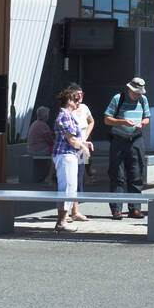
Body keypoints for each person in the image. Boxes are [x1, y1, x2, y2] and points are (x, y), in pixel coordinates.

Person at [104, 76, 150, 220]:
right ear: (129, 89)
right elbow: (107, 119)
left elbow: (147, 117)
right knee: (117, 175)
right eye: (135, 92)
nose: (137, 95)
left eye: (139, 93)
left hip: (136, 139)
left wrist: (142, 122)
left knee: (136, 174)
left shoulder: (143, 100)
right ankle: (117, 209)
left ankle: (135, 208)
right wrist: (122, 121)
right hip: (119, 140)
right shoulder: (117, 99)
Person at [52, 86, 93, 231]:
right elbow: (71, 139)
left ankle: (62, 221)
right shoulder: (65, 115)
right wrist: (83, 147)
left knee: (69, 188)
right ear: (69, 100)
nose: (78, 103)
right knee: (67, 188)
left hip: (68, 155)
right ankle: (61, 222)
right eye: (75, 99)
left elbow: (74, 138)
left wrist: (83, 143)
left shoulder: (67, 115)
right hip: (66, 155)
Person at [68, 86, 92, 222]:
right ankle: (67, 211)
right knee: (69, 178)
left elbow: (91, 121)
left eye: (82, 94)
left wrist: (85, 137)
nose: (80, 98)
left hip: (82, 146)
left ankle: (75, 210)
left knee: (79, 176)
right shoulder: (67, 111)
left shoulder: (85, 108)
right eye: (77, 95)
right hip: (71, 147)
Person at [26, 106, 56, 185]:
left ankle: (52, 176)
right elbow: (49, 140)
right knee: (58, 154)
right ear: (46, 116)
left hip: (32, 148)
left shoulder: (35, 123)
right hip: (39, 149)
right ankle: (49, 177)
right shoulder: (42, 125)